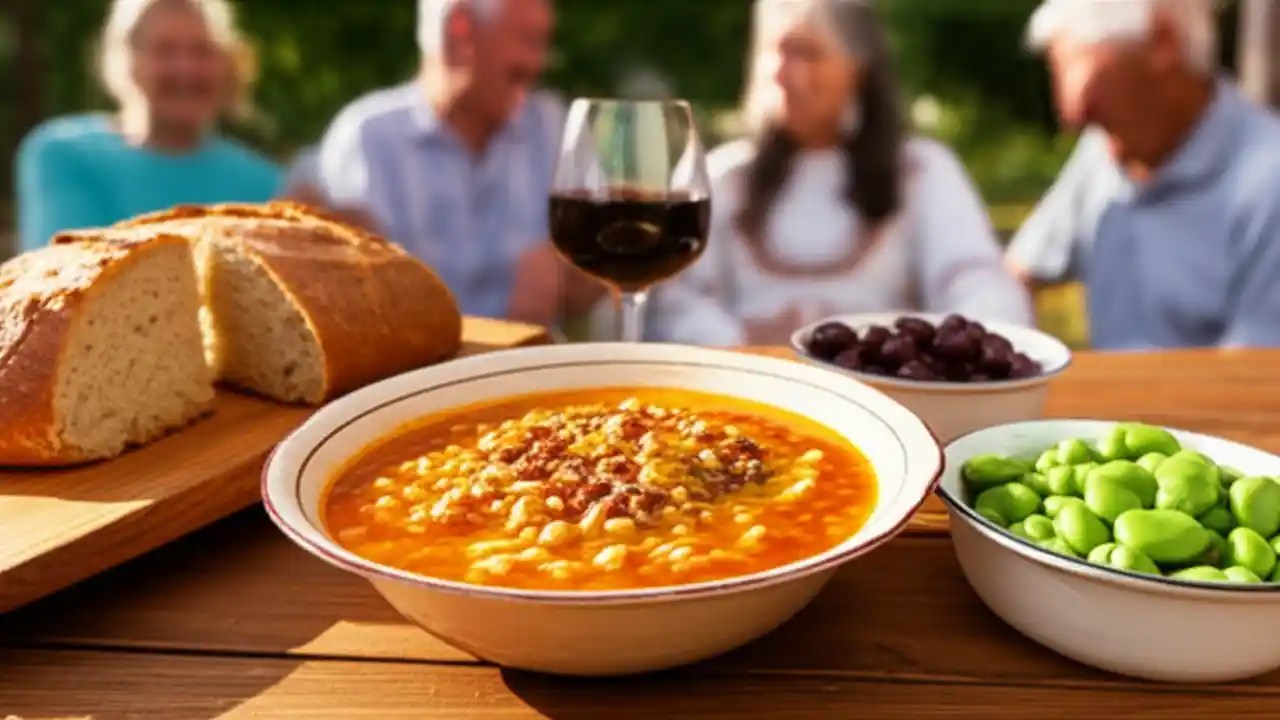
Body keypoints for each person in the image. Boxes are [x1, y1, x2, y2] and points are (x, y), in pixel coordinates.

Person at [649, 0, 1031, 347]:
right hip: (749, 395)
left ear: (858, 65)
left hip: (887, 397)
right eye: (775, 50)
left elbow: (978, 283)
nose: (782, 73)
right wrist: (739, 342)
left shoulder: (922, 171)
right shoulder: (726, 176)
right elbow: (674, 297)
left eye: (807, 53)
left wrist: (936, 352)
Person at [1008, 0, 1280, 349]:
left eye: (1082, 79)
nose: (1071, 116)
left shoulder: (1267, 178)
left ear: (1163, 43)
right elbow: (1014, 276)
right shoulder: (1105, 150)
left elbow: (1253, 379)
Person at [316, 0, 602, 326]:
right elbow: (353, 304)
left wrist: (572, 272)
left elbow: (599, 269)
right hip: (417, 374)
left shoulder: (551, 127)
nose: (538, 63)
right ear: (460, 32)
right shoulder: (367, 138)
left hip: (530, 370)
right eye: (529, 40)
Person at [15, 0, 280, 252]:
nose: (185, 68)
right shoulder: (65, 155)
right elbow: (65, 276)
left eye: (202, 51)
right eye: (165, 50)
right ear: (123, 59)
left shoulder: (268, 184)